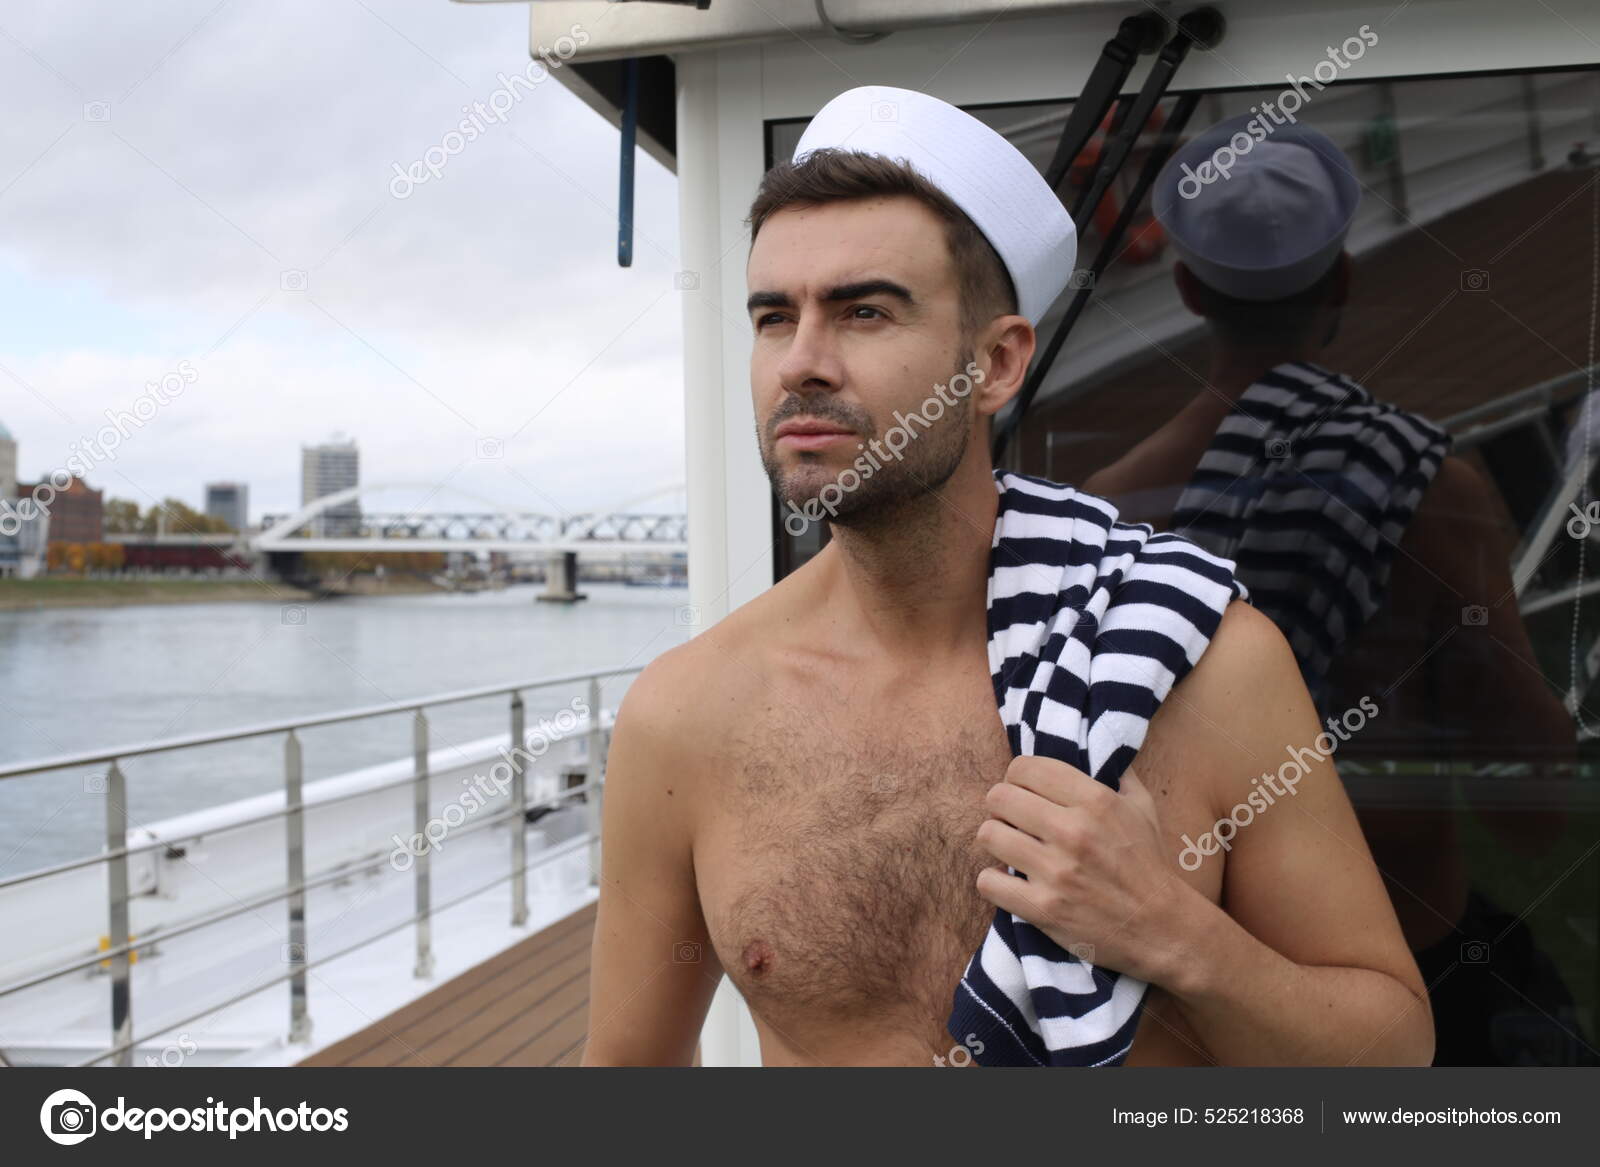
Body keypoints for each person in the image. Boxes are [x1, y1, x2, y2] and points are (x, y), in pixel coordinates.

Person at [581, 86, 1431, 1067]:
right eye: (775, 317)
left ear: (994, 363)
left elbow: (1390, 1049)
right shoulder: (684, 717)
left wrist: (1173, 933)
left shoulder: (1199, 663)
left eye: (863, 312)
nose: (801, 363)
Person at [1080, 114, 1587, 1065]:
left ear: (1188, 288)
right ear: (1344, 277)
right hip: (1417, 967)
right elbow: (1536, 808)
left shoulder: (1109, 513)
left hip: (1181, 999)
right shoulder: (1434, 488)